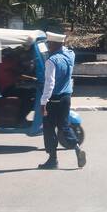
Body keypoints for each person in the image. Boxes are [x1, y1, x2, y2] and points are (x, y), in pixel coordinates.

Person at [39, 33, 85, 170]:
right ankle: (76, 147)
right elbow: (67, 50)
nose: (48, 46)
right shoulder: (70, 55)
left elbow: (50, 84)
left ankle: (53, 160)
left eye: (49, 43)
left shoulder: (51, 61)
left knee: (48, 128)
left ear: (55, 44)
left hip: (54, 99)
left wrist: (43, 102)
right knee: (64, 126)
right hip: (66, 97)